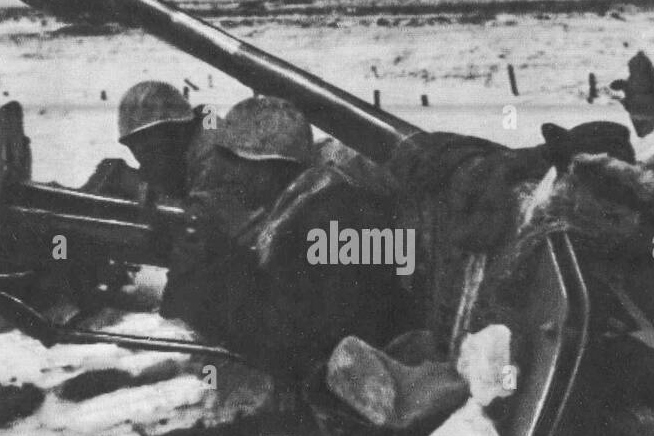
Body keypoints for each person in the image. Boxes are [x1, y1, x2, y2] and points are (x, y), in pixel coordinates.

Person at [161, 97, 410, 376]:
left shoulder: (331, 219)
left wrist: (219, 261)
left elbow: (289, 339)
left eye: (236, 162)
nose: (228, 175)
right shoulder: (311, 206)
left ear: (268, 167)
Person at [82, 80, 209, 200]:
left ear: (177, 132)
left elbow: (201, 216)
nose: (140, 154)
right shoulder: (172, 157)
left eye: (147, 145)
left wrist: (137, 188)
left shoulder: (212, 154)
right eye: (132, 145)